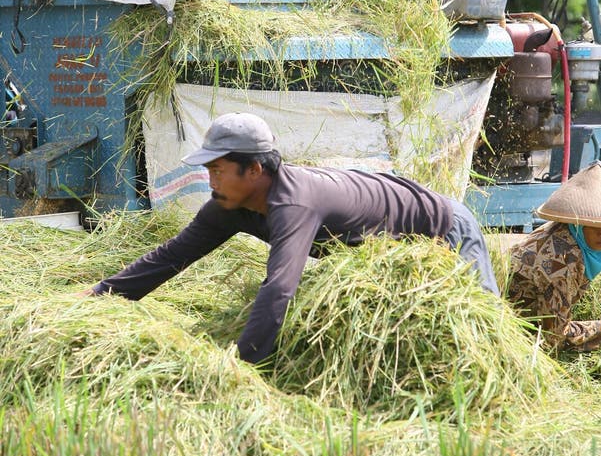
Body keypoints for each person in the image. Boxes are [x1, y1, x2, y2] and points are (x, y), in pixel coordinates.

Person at [85, 112, 499, 364]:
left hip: (443, 228)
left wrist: (240, 366)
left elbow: (280, 287)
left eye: (217, 169)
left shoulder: (292, 203)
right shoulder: (230, 203)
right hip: (390, 244)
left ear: (254, 170)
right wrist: (102, 293)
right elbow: (174, 254)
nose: (209, 179)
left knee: (485, 332)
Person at [508, 161, 601, 352]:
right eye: (597, 229)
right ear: (581, 224)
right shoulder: (564, 261)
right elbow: (552, 338)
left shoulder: (569, 232)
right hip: (516, 323)